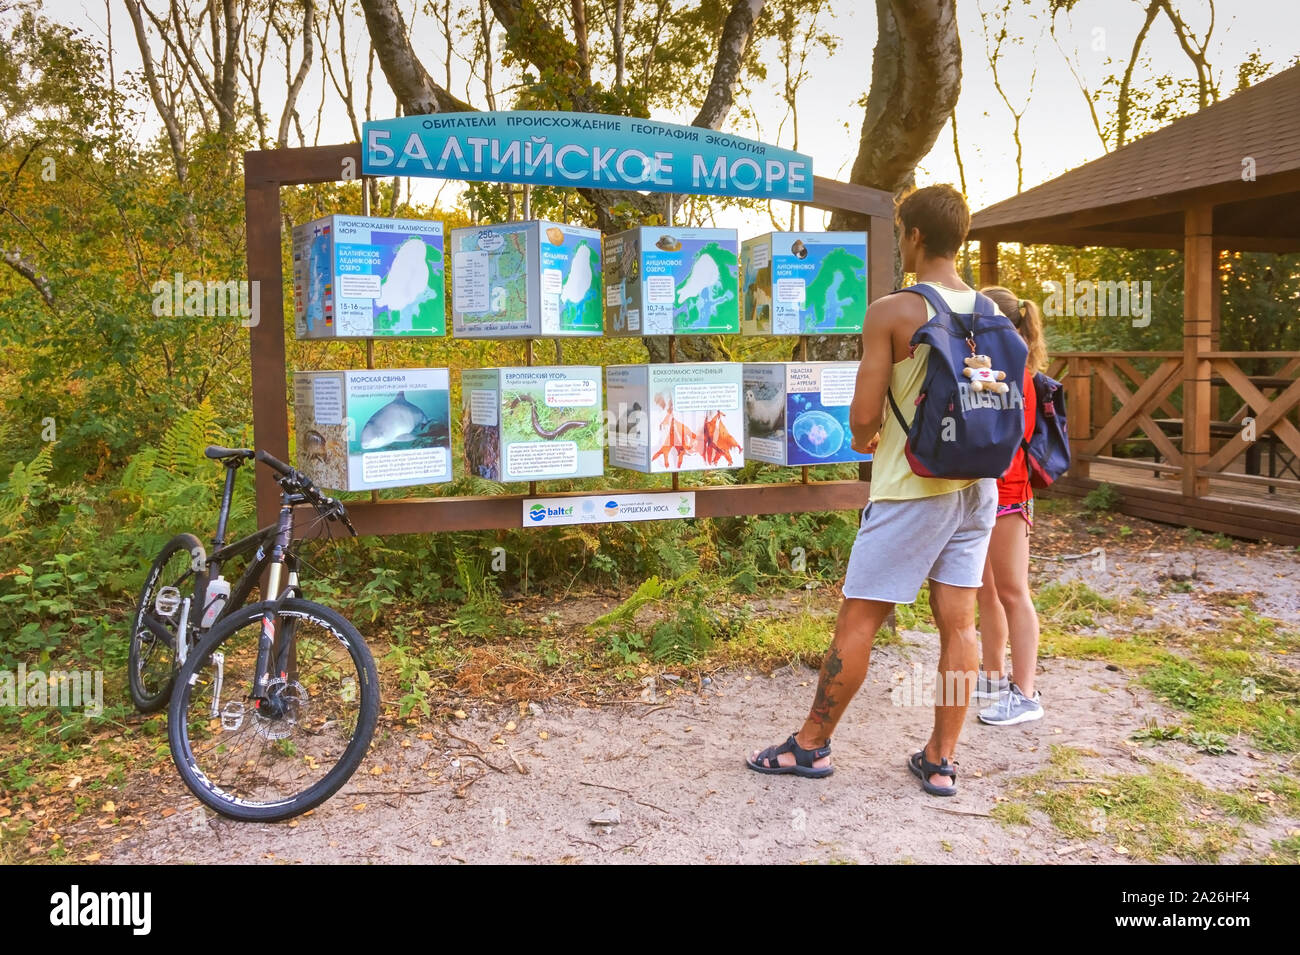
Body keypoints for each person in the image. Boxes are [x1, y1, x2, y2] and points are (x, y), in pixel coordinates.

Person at [744, 184, 1004, 797]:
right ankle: (941, 760)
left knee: (860, 614)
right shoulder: (992, 311)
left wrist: (869, 436)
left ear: (912, 236)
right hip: (978, 486)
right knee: (959, 625)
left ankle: (809, 746)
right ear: (959, 237)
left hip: (912, 487)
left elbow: (863, 417)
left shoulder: (893, 310)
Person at [972, 288, 1046, 725]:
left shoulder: (1017, 373)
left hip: (1009, 493)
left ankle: (1026, 694)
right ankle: (995, 676)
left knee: (1013, 591)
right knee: (987, 590)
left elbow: (998, 428)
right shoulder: (997, 368)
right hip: (987, 491)